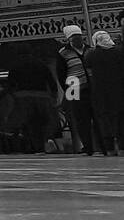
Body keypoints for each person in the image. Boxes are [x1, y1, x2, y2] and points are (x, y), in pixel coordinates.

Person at [57, 25, 97, 155]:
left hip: (91, 88)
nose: (77, 39)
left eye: (79, 37)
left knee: (97, 117)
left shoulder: (90, 50)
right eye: (74, 37)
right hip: (73, 89)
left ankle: (100, 146)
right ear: (69, 39)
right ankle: (88, 147)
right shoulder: (63, 53)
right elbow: (61, 74)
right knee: (80, 119)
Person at [85, 30, 123, 157]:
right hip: (119, 91)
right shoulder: (119, 51)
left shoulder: (91, 54)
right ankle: (122, 147)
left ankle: (110, 148)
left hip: (100, 92)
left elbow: (89, 70)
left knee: (104, 119)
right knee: (120, 118)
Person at [9, 53, 58, 152]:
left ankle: (29, 145)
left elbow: (11, 82)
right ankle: (46, 141)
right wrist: (53, 94)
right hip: (41, 96)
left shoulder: (16, 66)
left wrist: (13, 93)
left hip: (23, 96)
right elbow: (51, 81)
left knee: (24, 122)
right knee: (44, 121)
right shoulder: (42, 65)